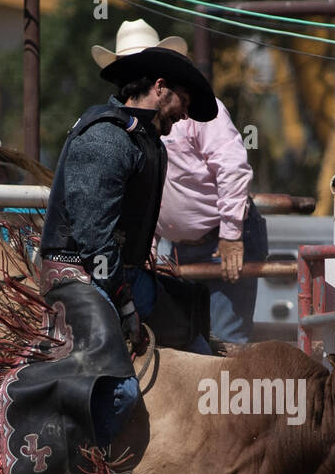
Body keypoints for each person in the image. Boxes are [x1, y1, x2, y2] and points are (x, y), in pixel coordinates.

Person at [0, 45, 216, 474]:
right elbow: (95, 241)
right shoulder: (107, 139)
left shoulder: (138, 139)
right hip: (80, 273)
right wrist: (122, 305)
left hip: (121, 273)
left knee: (205, 354)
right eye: (182, 98)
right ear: (159, 87)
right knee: (112, 390)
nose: (185, 112)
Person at [94, 20, 267, 345]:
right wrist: (148, 243)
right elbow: (148, 192)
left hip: (221, 237)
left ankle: (224, 392)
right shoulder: (130, 127)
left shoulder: (196, 113)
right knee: (188, 339)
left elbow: (231, 166)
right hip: (184, 246)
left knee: (221, 341)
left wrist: (231, 234)